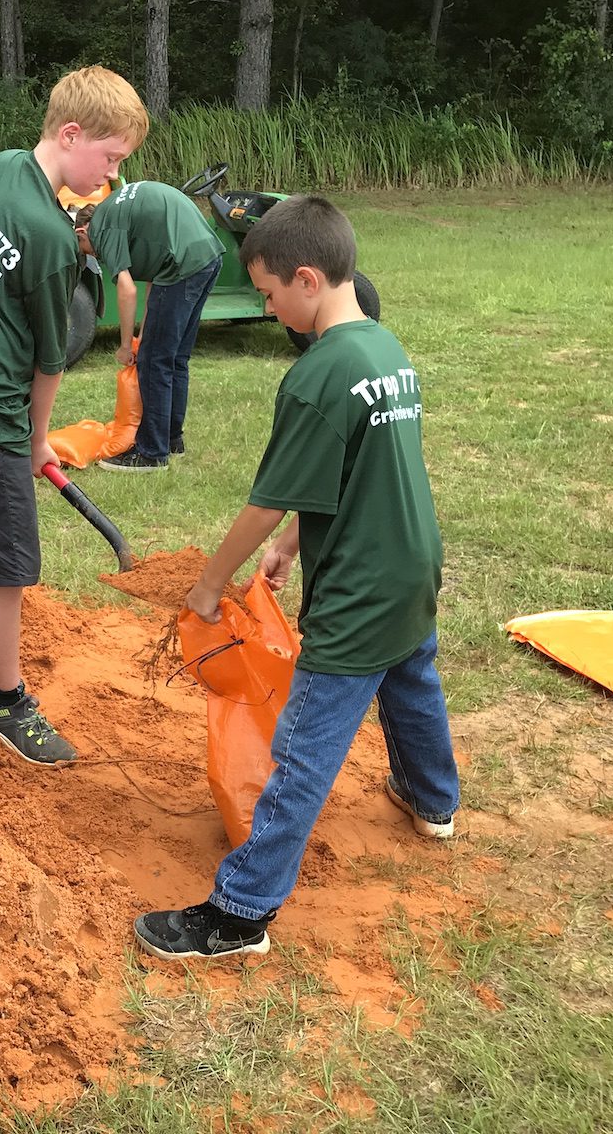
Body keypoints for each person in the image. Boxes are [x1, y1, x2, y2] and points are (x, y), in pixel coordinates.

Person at [134, 195, 459, 961]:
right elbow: (350, 471)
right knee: (411, 677)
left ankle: (241, 913)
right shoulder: (383, 349)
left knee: (303, 751)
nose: (269, 307)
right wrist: (292, 544)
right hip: (412, 562)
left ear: (307, 279)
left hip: (360, 590)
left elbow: (265, 497)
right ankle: (431, 798)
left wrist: (212, 585)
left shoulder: (318, 375)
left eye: (270, 294)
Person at [0, 65, 149, 767]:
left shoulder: (2, 168)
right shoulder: (50, 238)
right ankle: (9, 701)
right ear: (72, 134)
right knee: (10, 567)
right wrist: (35, 440)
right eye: (110, 158)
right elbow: (51, 361)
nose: (110, 175)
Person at [74, 180, 224, 471]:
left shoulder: (103, 228)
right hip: (206, 256)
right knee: (174, 357)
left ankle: (151, 452)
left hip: (182, 264)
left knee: (154, 362)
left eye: (85, 250)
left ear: (82, 232)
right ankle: (171, 439)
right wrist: (143, 335)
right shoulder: (118, 211)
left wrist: (123, 344)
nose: (92, 255)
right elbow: (153, 276)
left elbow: (127, 289)